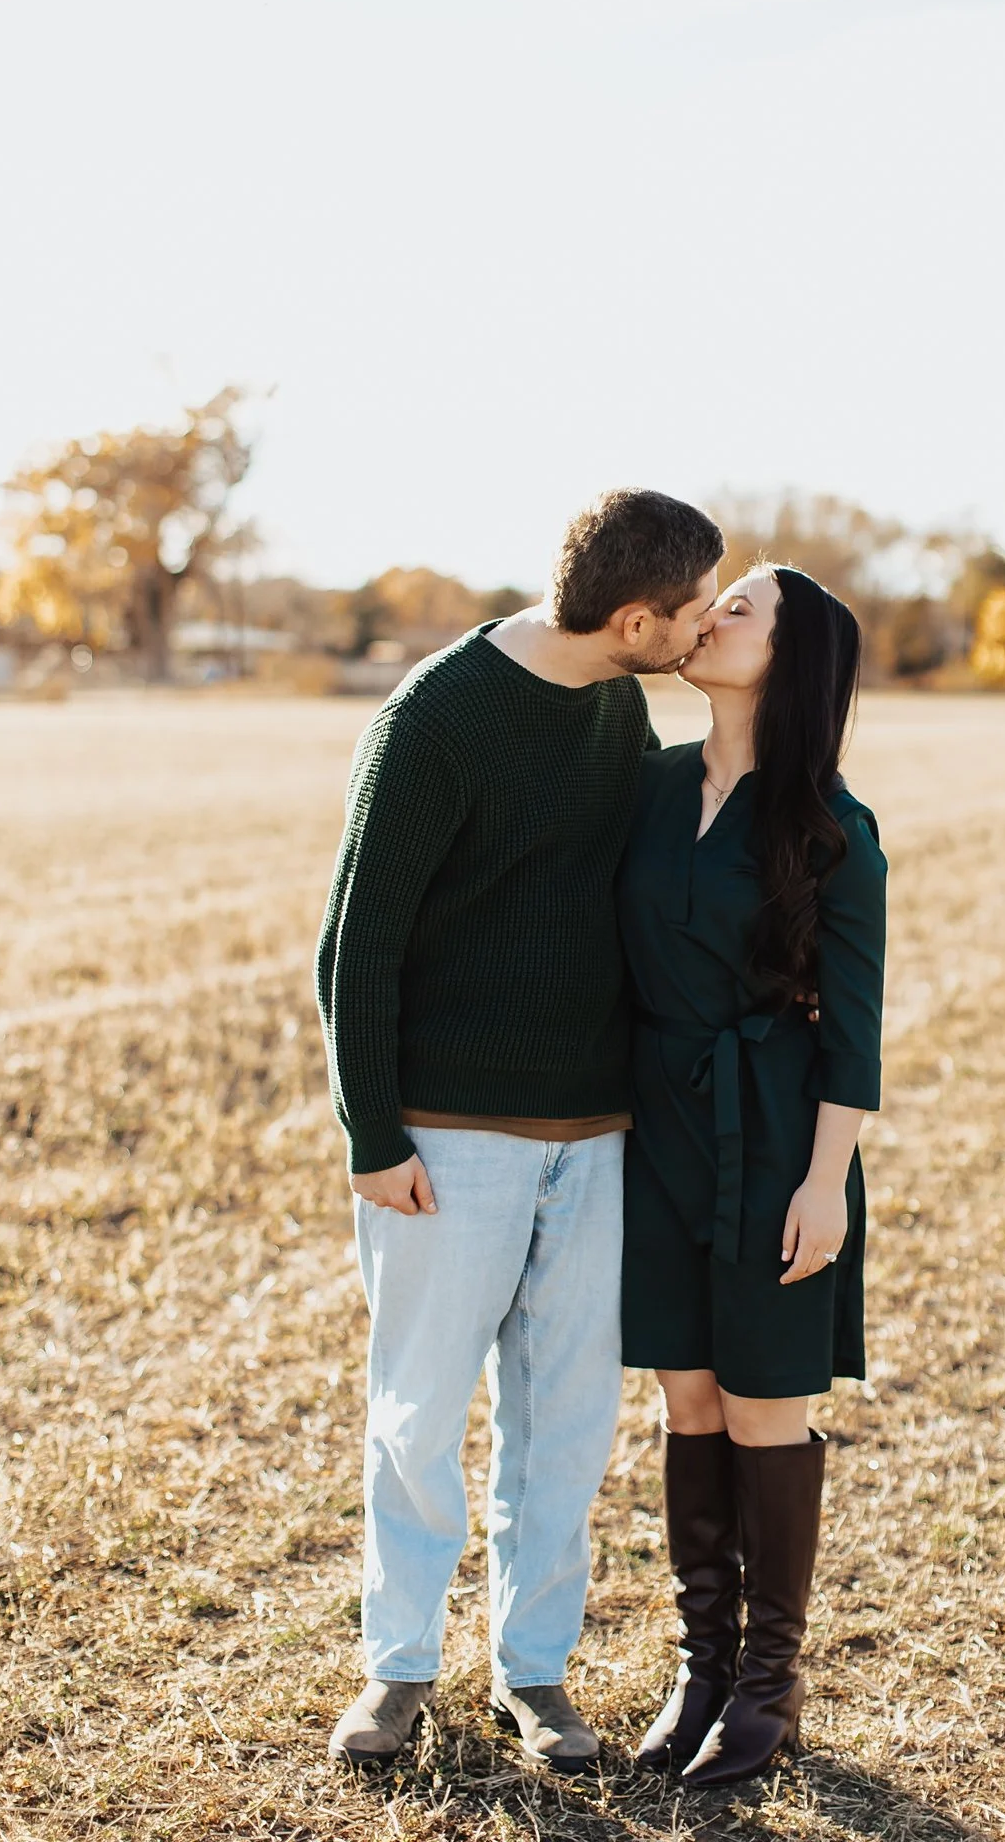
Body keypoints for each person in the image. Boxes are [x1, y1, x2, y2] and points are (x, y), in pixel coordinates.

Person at [315, 490, 724, 1771]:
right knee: (420, 1413)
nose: (710, 620)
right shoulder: (436, 720)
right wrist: (372, 1133)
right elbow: (355, 944)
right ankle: (397, 1670)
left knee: (563, 1423)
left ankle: (535, 1671)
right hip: (447, 1136)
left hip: (594, 1134)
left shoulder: (620, 699)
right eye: (700, 603)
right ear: (637, 615)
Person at [616, 563, 886, 1786]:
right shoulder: (651, 786)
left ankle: (770, 1684)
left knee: (768, 1400)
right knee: (688, 1399)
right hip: (657, 1132)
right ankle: (702, 1666)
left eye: (740, 607)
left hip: (780, 1137)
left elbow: (855, 1030)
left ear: (792, 656)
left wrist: (825, 1179)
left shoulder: (831, 821)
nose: (709, 614)